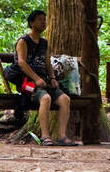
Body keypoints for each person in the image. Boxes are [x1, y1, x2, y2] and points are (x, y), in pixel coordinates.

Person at [12, 9, 75, 146]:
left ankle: (62, 136)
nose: (43, 22)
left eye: (44, 19)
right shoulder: (24, 41)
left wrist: (52, 78)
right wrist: (36, 79)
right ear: (31, 23)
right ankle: (45, 136)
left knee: (65, 99)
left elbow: (47, 63)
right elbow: (21, 63)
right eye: (40, 19)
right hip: (28, 83)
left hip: (45, 81)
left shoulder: (44, 43)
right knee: (45, 98)